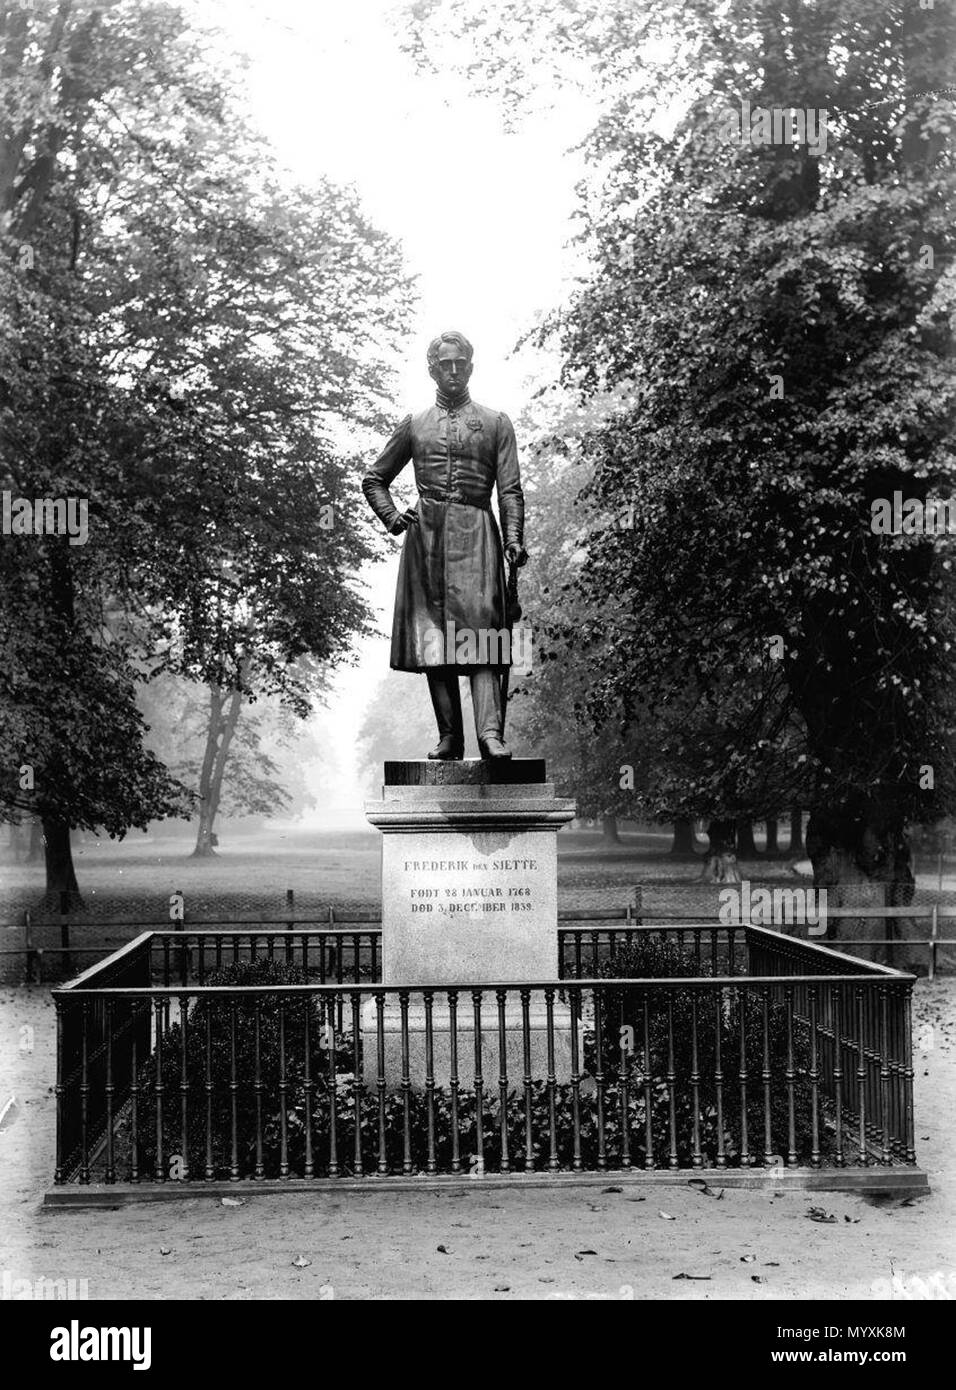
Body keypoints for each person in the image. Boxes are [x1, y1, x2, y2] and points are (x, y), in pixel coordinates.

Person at [362, 330, 527, 760]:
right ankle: (450, 736)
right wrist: (395, 518)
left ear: (471, 366)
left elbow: (509, 491)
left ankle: (491, 735)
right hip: (427, 536)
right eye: (445, 364)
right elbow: (374, 478)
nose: (453, 371)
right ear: (432, 369)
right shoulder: (415, 424)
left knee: (484, 636)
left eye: (460, 363)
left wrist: (513, 540)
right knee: (434, 640)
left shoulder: (496, 422)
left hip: (477, 532)